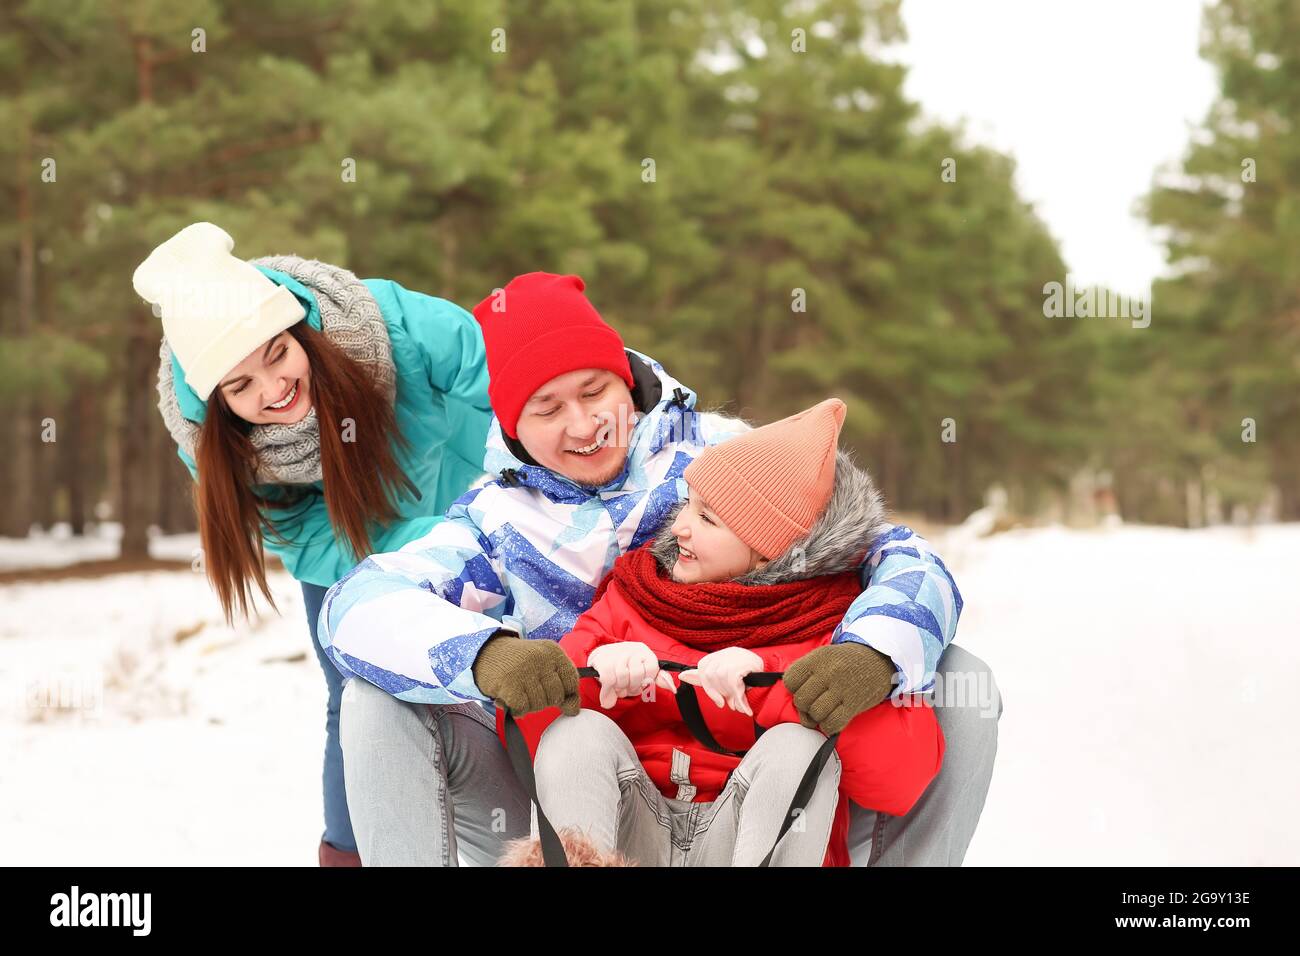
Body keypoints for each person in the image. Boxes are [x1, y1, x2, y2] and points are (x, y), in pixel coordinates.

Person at [321, 271, 999, 866]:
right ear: (513, 424)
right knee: (374, 697)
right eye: (547, 408)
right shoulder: (493, 522)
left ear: (627, 378)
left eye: (594, 391)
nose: (585, 425)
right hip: (566, 789)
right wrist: (488, 656)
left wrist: (872, 655)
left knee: (960, 679)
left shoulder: (720, 456)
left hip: (760, 786)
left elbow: (899, 556)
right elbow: (358, 604)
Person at [134, 222, 494, 865]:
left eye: (277, 355)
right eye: (240, 387)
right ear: (216, 400)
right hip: (343, 545)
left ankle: (534, 833)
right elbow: (293, 528)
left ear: (298, 328)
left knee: (503, 666)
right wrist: (407, 567)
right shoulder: (206, 438)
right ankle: (351, 854)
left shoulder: (380, 320)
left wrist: (524, 481)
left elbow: (493, 368)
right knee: (358, 694)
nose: (273, 391)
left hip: (465, 487)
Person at [500, 398, 945, 866]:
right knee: (576, 732)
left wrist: (766, 689)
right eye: (688, 505)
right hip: (634, 834)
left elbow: (903, 777)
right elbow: (530, 734)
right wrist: (597, 683)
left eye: (708, 519)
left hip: (745, 841)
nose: (680, 529)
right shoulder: (635, 594)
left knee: (797, 746)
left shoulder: (832, 627)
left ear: (770, 553)